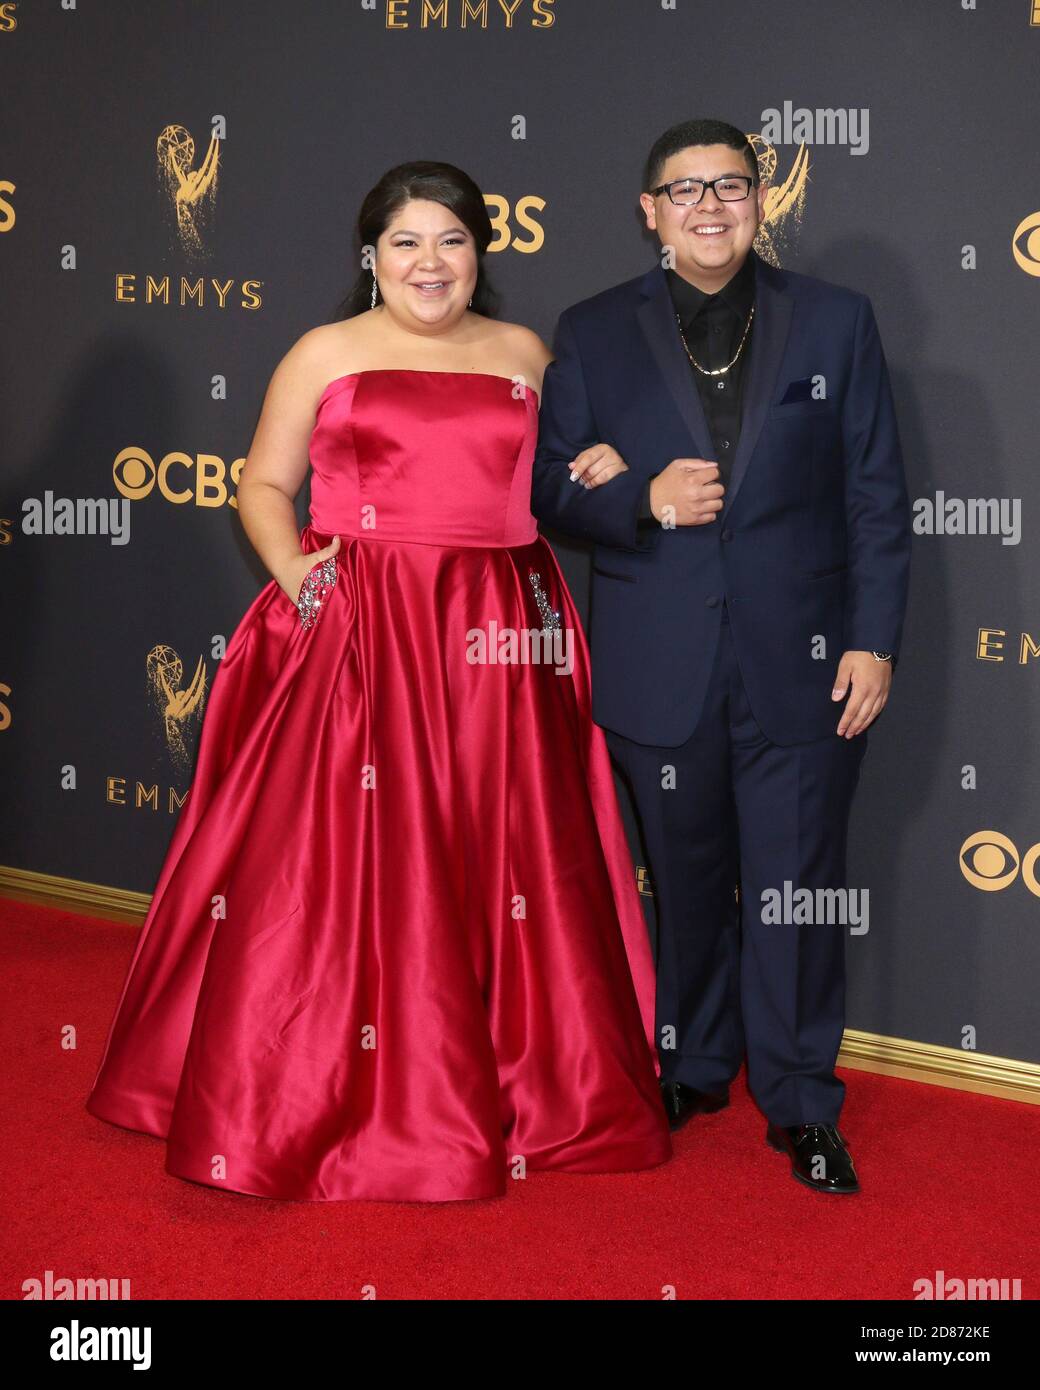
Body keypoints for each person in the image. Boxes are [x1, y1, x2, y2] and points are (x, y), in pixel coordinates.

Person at [86, 160, 672, 1203]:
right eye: (405, 242)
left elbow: (568, 475)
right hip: (358, 624)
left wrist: (601, 467)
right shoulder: (325, 351)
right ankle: (319, 1094)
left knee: (506, 852)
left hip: (498, 627)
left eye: (450, 240)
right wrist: (292, 570)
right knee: (344, 860)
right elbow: (262, 484)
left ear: (480, 253)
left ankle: (525, 1086)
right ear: (371, 255)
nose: (429, 263)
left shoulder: (528, 354)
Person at [531, 119, 911, 1195]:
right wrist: (636, 502)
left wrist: (873, 639)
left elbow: (875, 499)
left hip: (803, 669)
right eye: (683, 188)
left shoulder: (834, 321)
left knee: (794, 895)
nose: (709, 205)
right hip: (659, 668)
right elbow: (544, 488)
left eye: (730, 185)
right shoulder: (592, 329)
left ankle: (798, 1102)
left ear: (759, 200)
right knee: (685, 888)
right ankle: (692, 1067)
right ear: (647, 210)